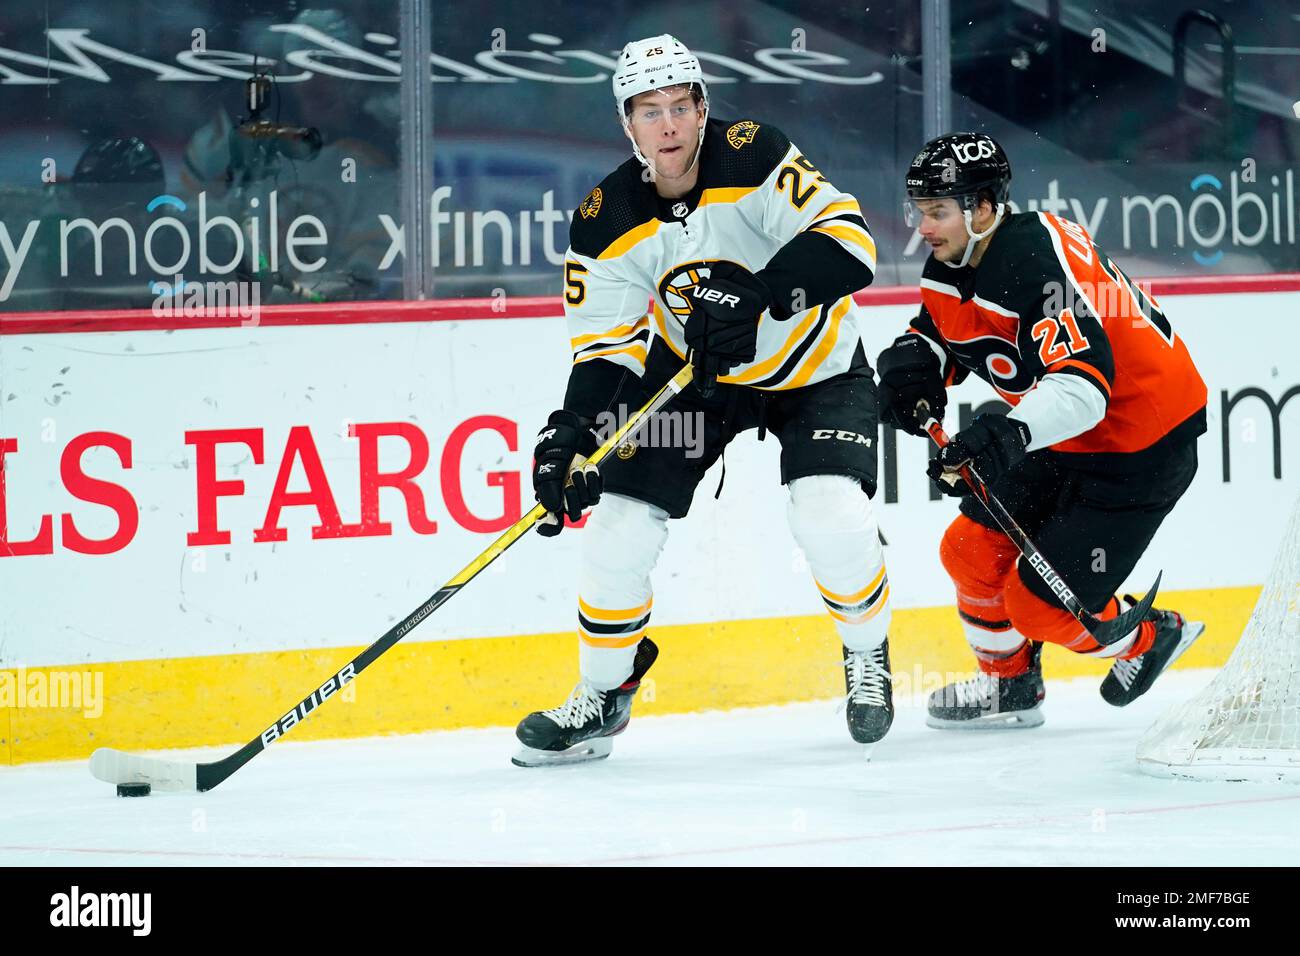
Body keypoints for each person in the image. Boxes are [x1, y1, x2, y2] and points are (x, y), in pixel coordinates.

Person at [513, 35, 890, 766]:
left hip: (816, 366)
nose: (669, 127)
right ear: (627, 123)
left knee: (831, 516)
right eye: (649, 112)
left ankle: (868, 656)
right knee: (617, 530)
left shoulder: (752, 156)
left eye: (681, 107)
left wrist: (762, 294)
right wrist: (567, 437)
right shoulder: (604, 217)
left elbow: (852, 244)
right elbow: (605, 350)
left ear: (702, 108)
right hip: (697, 379)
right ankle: (603, 692)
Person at [877, 132, 1207, 729]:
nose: (923, 226)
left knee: (1038, 608)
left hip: (1142, 444)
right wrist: (916, 362)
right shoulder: (959, 258)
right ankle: (1011, 687)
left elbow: (1083, 388)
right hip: (1067, 433)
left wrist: (1000, 435)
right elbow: (951, 332)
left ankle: (1152, 637)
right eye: (919, 211)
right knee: (970, 552)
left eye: (938, 212)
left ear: (982, 207)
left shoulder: (1031, 261)